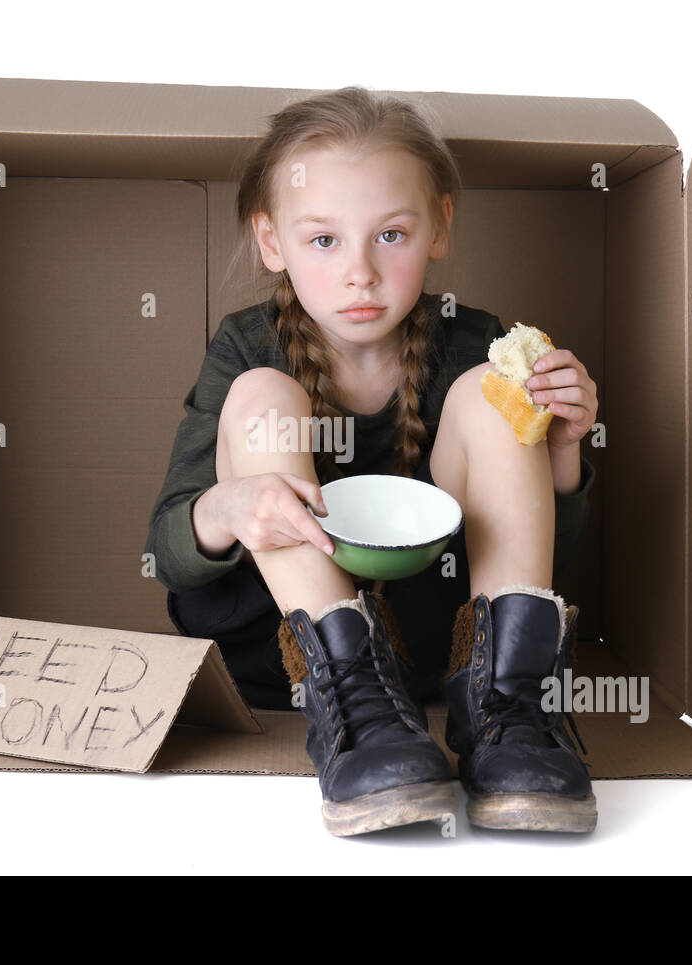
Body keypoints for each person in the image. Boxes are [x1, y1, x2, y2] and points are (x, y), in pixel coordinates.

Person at [144, 86, 600, 836]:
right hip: (286, 658)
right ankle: (354, 707)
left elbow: (556, 552)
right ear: (272, 241)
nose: (359, 271)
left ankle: (508, 710)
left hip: (435, 650)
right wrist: (229, 508)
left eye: (390, 235)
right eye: (323, 240)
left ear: (439, 227)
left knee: (493, 396)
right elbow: (170, 550)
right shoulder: (245, 345)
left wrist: (562, 448)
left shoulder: (475, 341)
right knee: (262, 394)